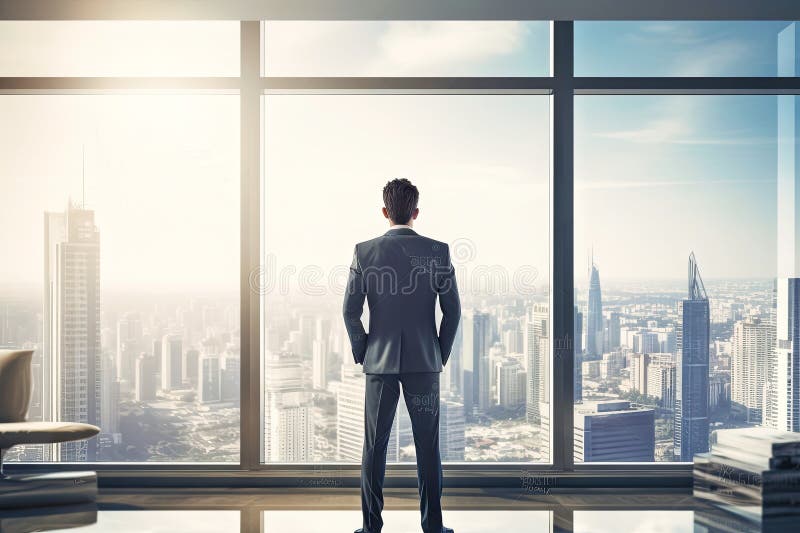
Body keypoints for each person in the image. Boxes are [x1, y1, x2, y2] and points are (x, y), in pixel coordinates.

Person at [343, 178, 461, 533]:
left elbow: (350, 312)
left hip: (379, 365)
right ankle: (433, 528)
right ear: (415, 213)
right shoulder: (437, 251)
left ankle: (370, 528)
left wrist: (365, 351)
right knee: (428, 448)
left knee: (373, 449)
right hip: (424, 365)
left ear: (384, 212)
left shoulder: (364, 252)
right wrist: (438, 353)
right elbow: (452, 312)